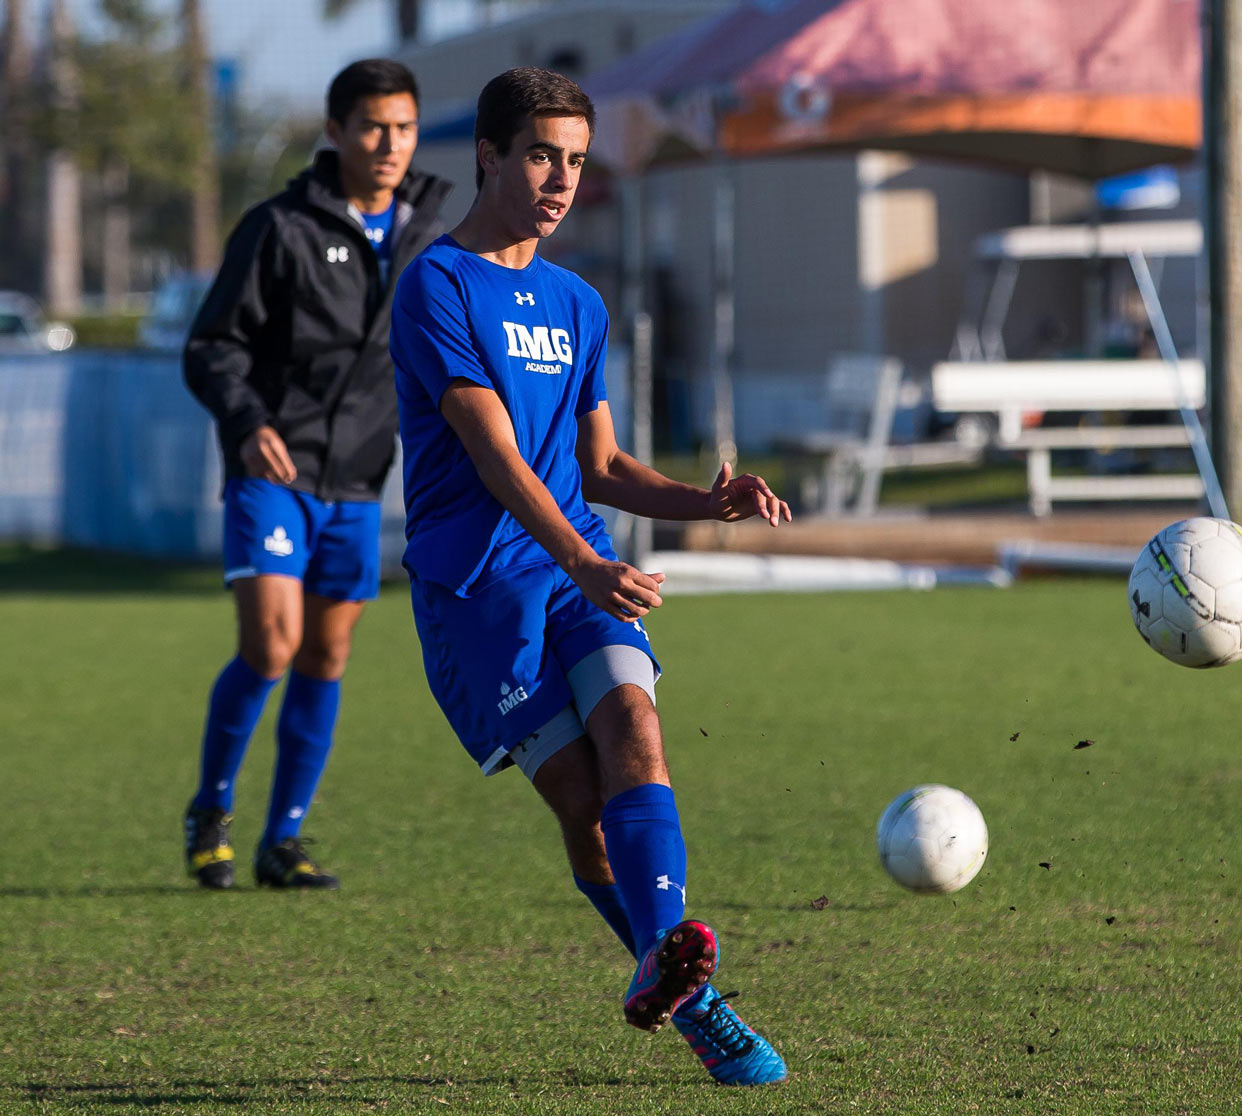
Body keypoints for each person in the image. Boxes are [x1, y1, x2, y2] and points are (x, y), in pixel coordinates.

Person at [389, 67, 790, 1087]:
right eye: (539, 154)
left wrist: (711, 502)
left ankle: (671, 974)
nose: (561, 177)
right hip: (480, 589)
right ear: (487, 154)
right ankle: (692, 1002)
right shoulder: (437, 285)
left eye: (574, 158)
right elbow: (492, 452)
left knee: (637, 731)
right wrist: (586, 556)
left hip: (576, 568)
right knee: (583, 808)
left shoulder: (576, 301)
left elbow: (603, 469)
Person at [182, 59, 451, 890]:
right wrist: (248, 420)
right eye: (373, 126)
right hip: (273, 469)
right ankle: (211, 811)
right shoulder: (279, 228)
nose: (390, 144)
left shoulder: (427, 236)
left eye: (404, 127)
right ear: (335, 132)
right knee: (271, 644)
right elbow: (210, 346)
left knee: (326, 656)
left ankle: (283, 841)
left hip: (360, 480)